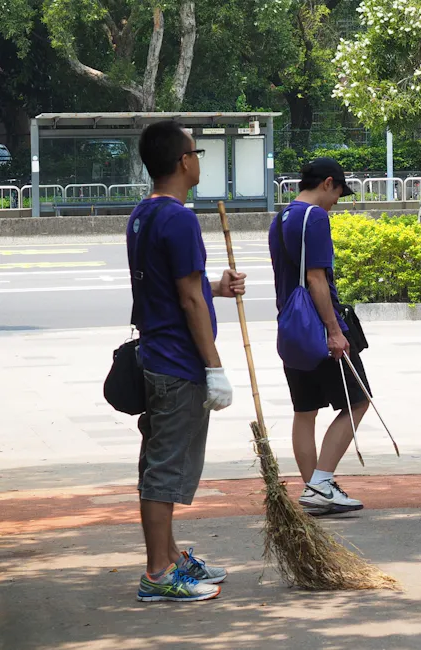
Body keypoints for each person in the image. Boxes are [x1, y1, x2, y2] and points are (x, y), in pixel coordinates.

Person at [128, 120, 245, 602]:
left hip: (156, 354)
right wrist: (214, 366)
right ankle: (158, 573)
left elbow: (181, 289)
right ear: (183, 161)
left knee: (160, 462)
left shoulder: (145, 213)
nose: (198, 158)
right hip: (177, 363)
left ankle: (172, 556)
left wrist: (215, 286)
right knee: (165, 469)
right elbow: (188, 301)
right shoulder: (179, 218)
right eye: (195, 151)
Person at [268, 158, 373, 517]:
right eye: (339, 193)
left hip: (291, 328)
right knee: (358, 401)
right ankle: (321, 483)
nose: (337, 202)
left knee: (305, 410)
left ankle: (315, 486)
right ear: (328, 183)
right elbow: (316, 279)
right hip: (318, 327)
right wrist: (334, 330)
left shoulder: (281, 217)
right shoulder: (314, 218)